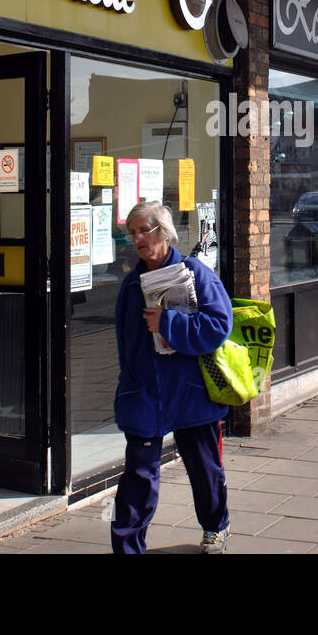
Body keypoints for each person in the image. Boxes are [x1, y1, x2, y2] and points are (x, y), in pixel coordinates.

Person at [110, 201, 232, 554]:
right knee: (138, 477)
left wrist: (167, 323)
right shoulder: (131, 285)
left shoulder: (194, 272)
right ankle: (128, 547)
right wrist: (128, 386)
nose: (136, 240)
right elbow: (125, 343)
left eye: (142, 231)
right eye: (131, 233)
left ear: (162, 232)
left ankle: (216, 526)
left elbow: (218, 327)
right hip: (145, 394)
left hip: (190, 392)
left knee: (204, 468)